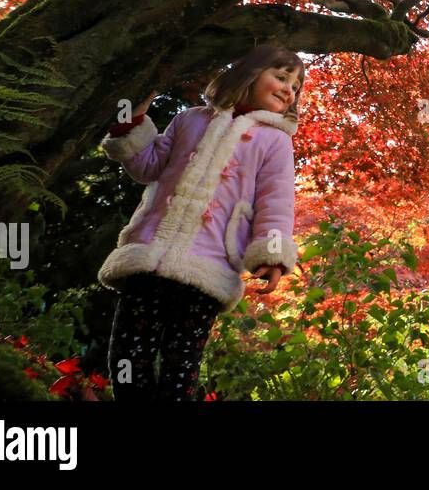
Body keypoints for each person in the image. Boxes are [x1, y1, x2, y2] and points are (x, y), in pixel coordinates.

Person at [98, 45, 306, 401]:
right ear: (249, 73)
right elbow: (148, 166)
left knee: (182, 362)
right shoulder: (191, 119)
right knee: (128, 355)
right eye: (282, 77)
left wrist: (272, 255)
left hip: (208, 268)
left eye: (297, 86)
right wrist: (131, 124)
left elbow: (276, 202)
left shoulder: (275, 142)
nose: (290, 89)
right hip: (151, 257)